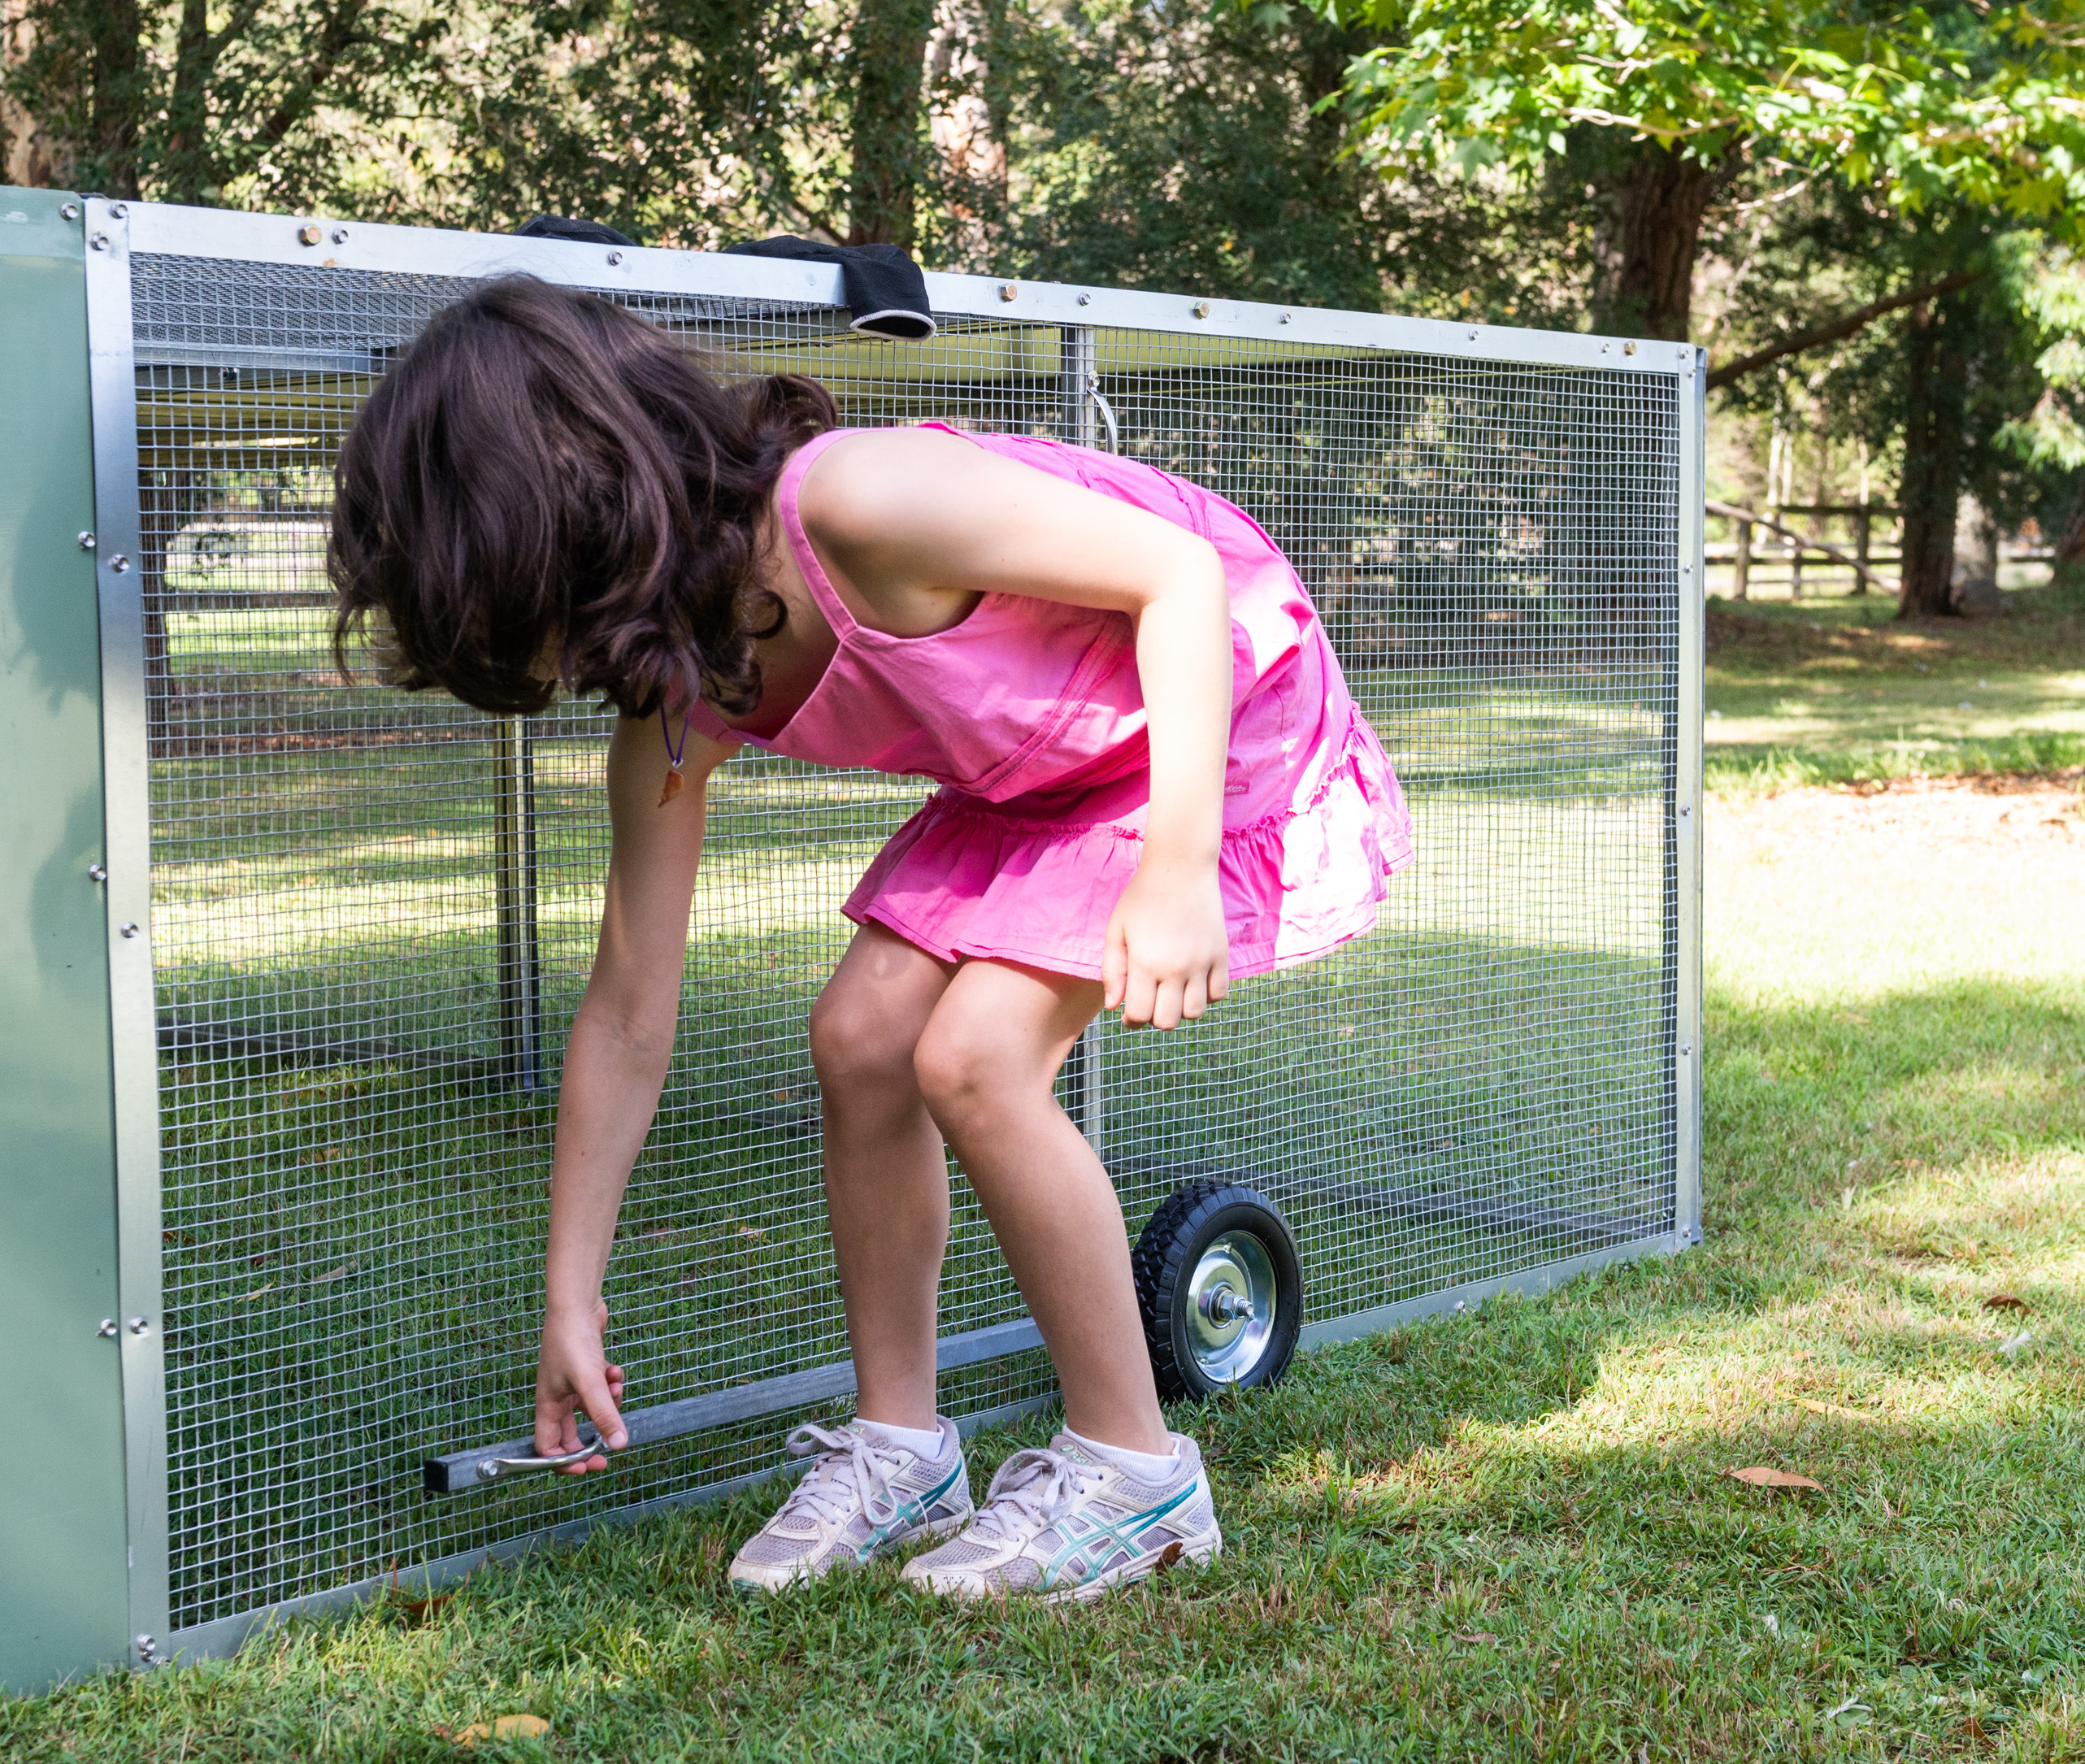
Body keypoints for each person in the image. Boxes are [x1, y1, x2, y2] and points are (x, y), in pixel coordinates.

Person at [328, 276, 1410, 1601]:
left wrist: (1178, 870)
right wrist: (570, 1290)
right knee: (858, 1039)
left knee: (973, 1057)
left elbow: (1178, 580)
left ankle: (1138, 1479)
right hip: (1047, 767)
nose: (548, 663)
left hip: (1207, 706)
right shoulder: (675, 701)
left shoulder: (850, 502)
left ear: (579, 514)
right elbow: (624, 1008)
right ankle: (901, 1450)